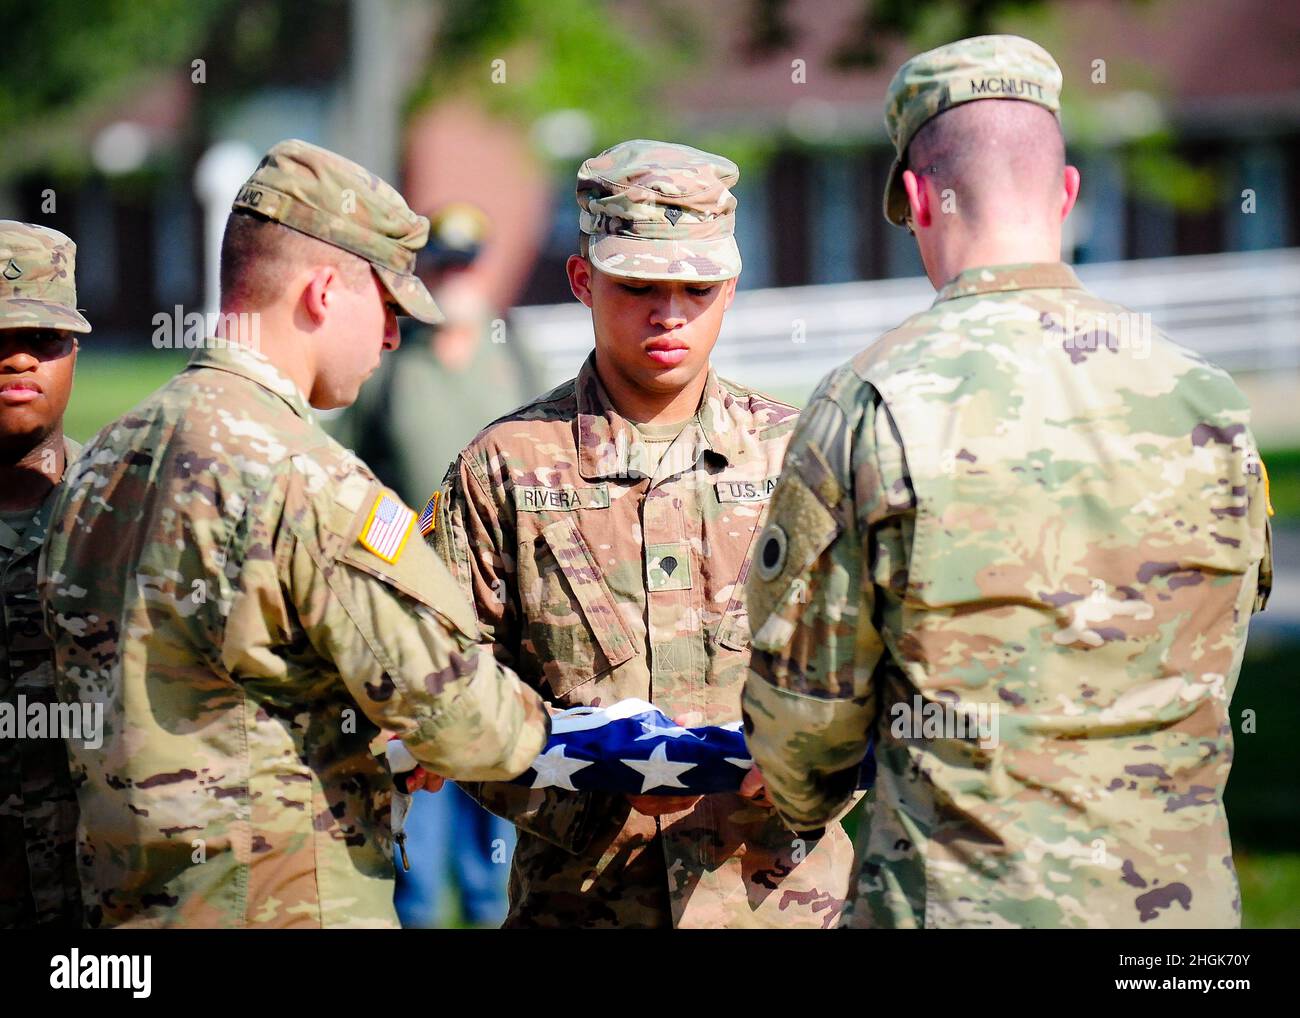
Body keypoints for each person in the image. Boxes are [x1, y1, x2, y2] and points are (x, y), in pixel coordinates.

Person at [742, 35, 1274, 929]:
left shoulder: (868, 403)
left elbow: (807, 721)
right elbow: (1215, 661)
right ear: (1067, 193)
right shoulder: (1209, 398)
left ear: (916, 200)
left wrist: (799, 801)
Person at [39, 139, 550, 929]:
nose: (391, 340)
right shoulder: (306, 479)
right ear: (322, 293)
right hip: (282, 904)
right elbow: (467, 720)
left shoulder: (104, 455)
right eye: (387, 309)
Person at [432, 139, 855, 928]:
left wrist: (806, 762)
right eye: (637, 286)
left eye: (695, 288)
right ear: (582, 280)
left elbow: (874, 660)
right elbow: (446, 692)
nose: (669, 314)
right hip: (581, 906)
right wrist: (583, 794)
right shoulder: (505, 469)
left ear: (730, 287)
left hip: (784, 905)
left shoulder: (805, 458)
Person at [330, 202, 539, 927]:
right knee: (415, 852)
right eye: (441, 265)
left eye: (464, 264)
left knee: (495, 858)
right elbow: (348, 478)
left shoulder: (515, 351)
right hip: (409, 623)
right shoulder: (393, 363)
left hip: (503, 630)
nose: (454, 279)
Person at [0, 222, 88, 929]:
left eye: (44, 336)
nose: (19, 357)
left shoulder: (133, 514)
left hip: (104, 916)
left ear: (74, 352)